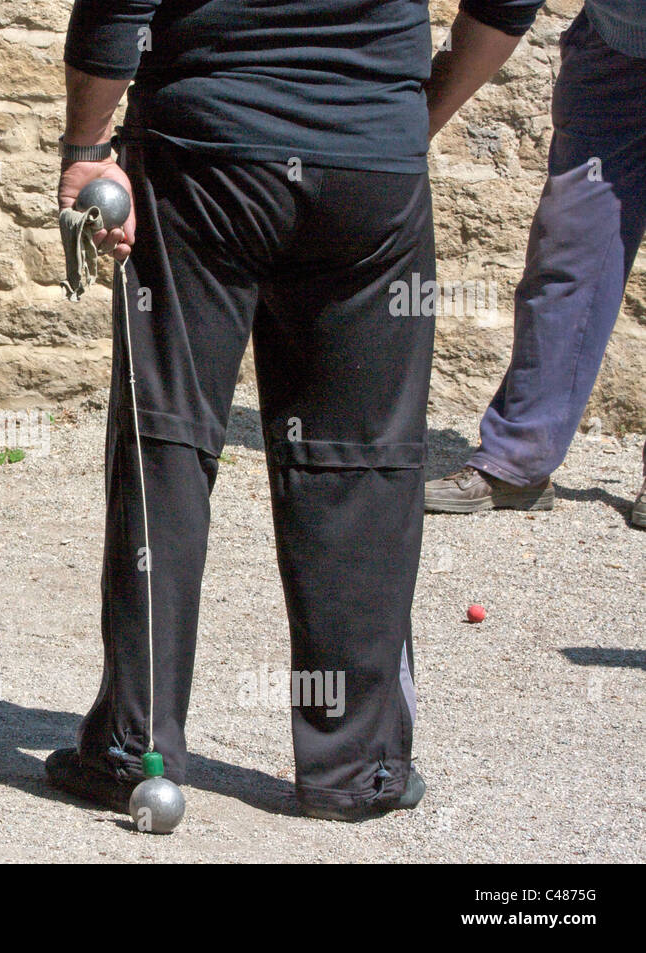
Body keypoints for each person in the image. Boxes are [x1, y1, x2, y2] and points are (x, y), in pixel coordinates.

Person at [49, 0, 544, 821]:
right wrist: (416, 113)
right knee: (360, 460)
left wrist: (86, 147)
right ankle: (359, 768)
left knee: (166, 440)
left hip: (203, 152)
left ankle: (133, 748)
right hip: (367, 162)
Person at [424, 2, 646, 530]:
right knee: (567, 252)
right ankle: (517, 463)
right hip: (616, 52)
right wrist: (415, 128)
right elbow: (501, 7)